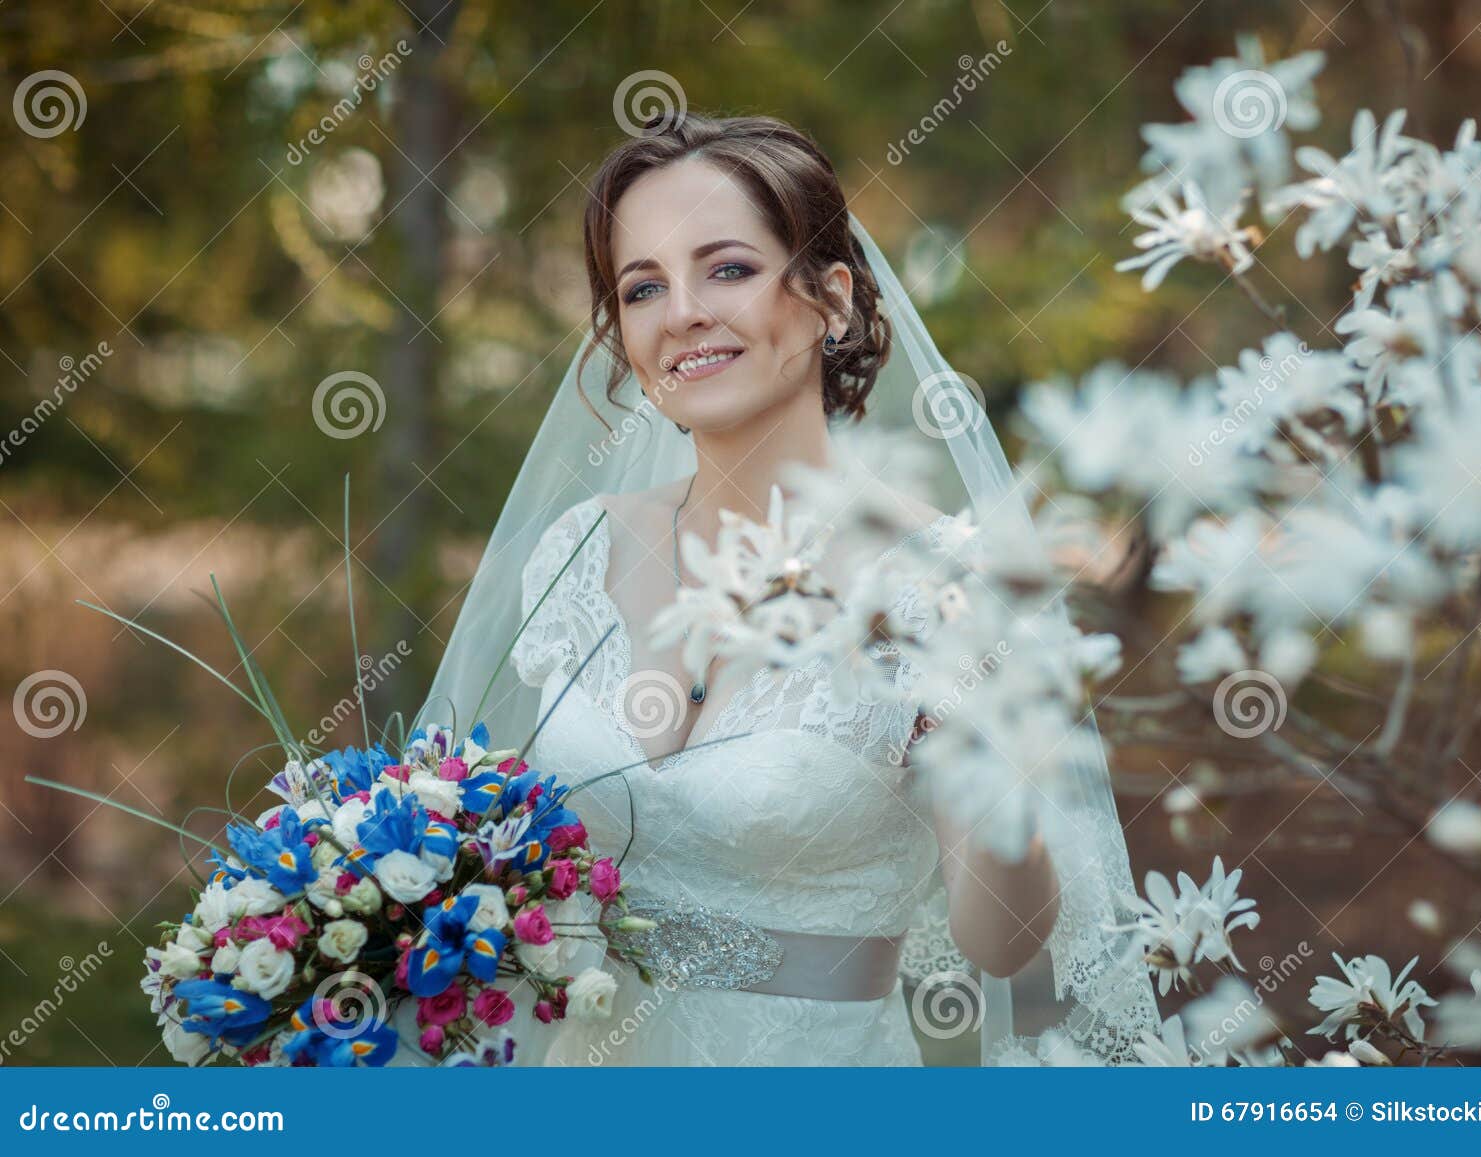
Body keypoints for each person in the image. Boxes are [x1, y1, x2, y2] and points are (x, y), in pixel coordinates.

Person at [422, 110, 1158, 1065]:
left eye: (727, 269)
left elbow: (1003, 943)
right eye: (643, 287)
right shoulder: (579, 550)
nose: (683, 312)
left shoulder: (941, 584)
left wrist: (993, 749)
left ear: (831, 300)